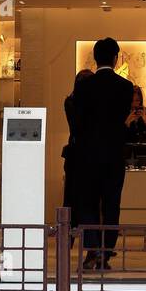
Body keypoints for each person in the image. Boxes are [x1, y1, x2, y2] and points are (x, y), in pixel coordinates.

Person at [71, 38, 134, 270]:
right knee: (111, 204)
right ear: (116, 59)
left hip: (87, 155)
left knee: (87, 202)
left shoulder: (84, 86)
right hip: (114, 155)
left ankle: (93, 247)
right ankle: (106, 252)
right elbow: (120, 121)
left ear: (95, 58)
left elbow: (77, 123)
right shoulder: (126, 87)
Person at [62, 68, 93, 227]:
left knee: (78, 196)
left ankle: (76, 233)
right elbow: (77, 127)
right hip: (79, 155)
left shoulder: (73, 102)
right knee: (74, 197)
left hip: (79, 154)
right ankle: (70, 232)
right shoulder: (72, 102)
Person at [124, 86, 146, 168]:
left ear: (141, 100)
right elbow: (119, 136)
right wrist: (127, 122)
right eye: (131, 101)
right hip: (127, 154)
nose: (134, 104)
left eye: (137, 100)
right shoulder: (124, 113)